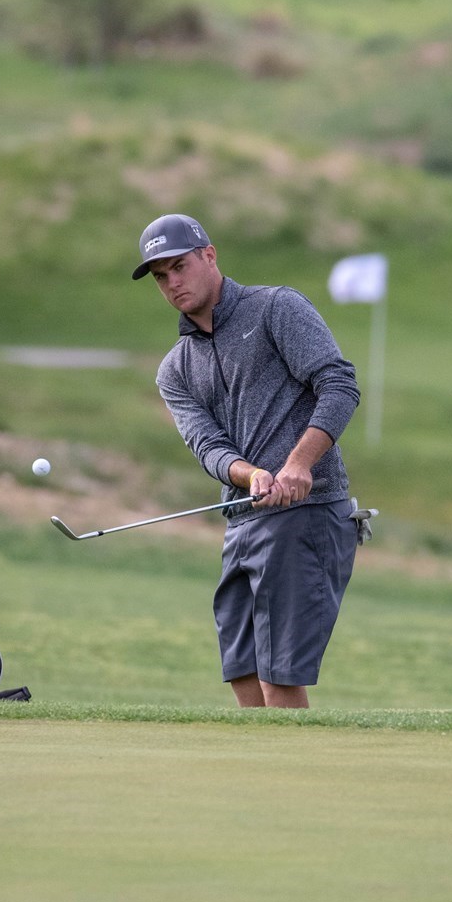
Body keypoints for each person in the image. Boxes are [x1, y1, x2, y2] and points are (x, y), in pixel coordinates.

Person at [133, 213, 362, 709]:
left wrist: (299, 464)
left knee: (279, 678)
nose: (172, 283)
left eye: (180, 267)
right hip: (243, 520)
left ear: (209, 256)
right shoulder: (175, 368)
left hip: (307, 514)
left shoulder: (276, 308)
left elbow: (339, 385)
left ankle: (297, 785)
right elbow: (207, 446)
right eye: (160, 276)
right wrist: (253, 474)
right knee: (244, 672)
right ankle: (266, 782)